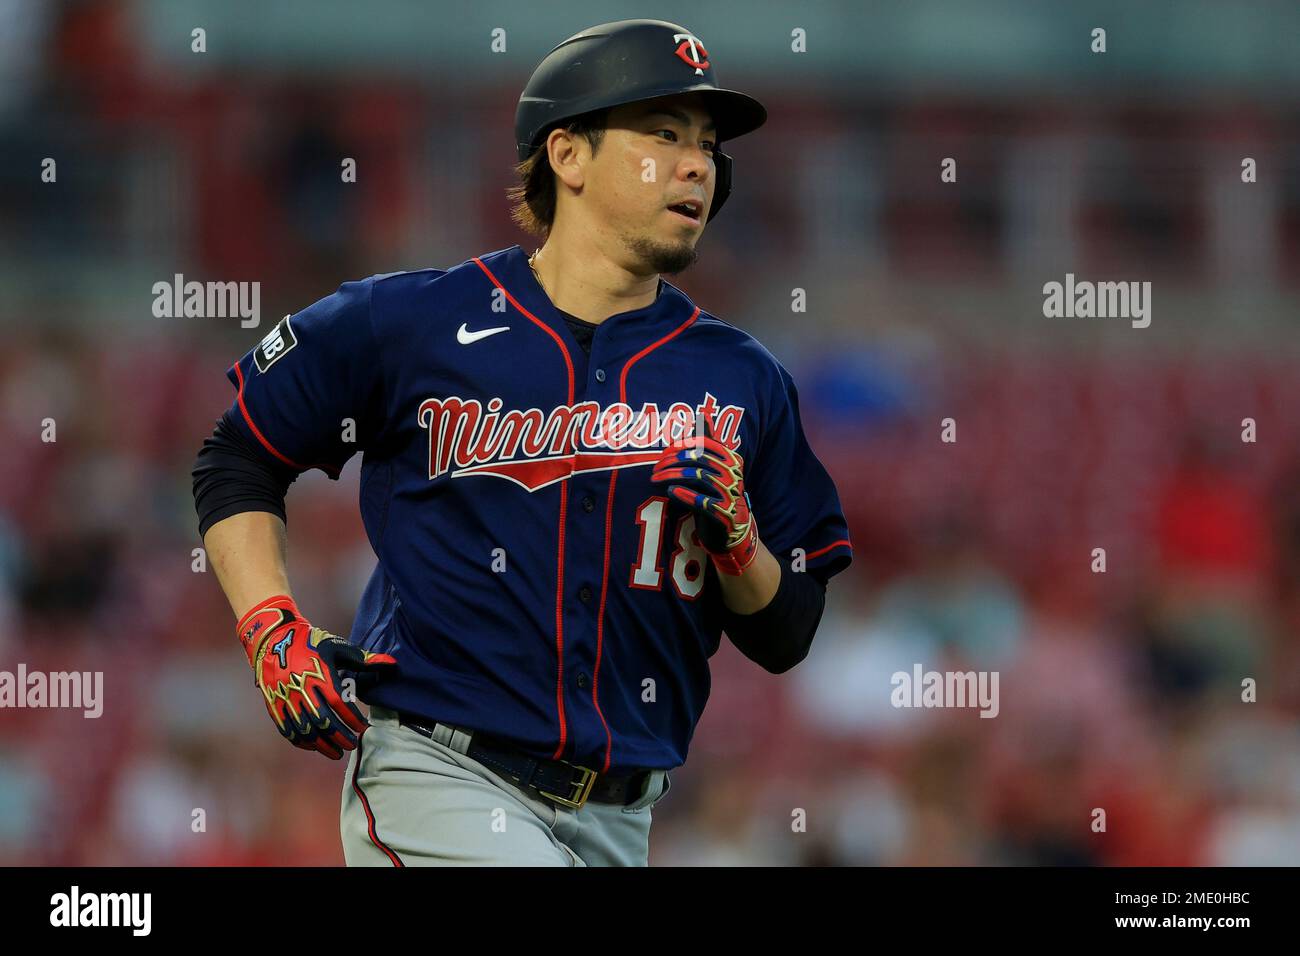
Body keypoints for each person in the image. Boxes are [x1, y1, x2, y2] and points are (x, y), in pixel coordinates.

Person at [191, 18, 852, 867]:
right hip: (439, 773)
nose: (698, 164)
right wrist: (268, 621)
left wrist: (744, 551)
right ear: (567, 156)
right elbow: (239, 455)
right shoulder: (409, 323)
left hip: (622, 817)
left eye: (707, 145)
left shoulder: (744, 377)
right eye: (662, 134)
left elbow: (788, 632)